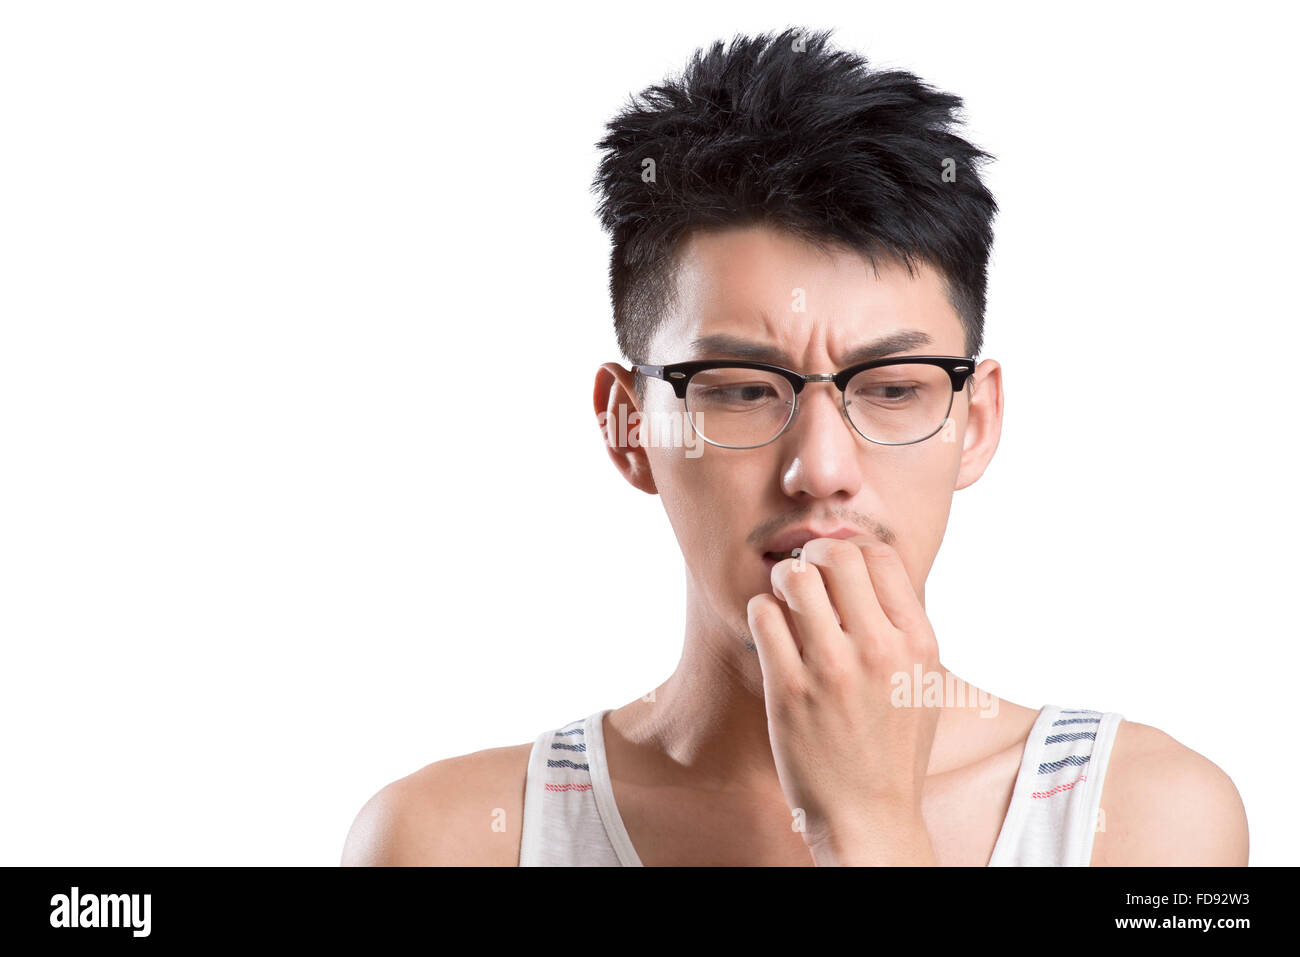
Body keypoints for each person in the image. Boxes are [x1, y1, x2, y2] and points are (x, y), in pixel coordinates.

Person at [341, 27, 1247, 866]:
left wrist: (867, 823)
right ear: (628, 428)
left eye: (893, 389)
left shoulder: (1145, 819)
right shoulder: (445, 839)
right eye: (739, 389)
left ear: (976, 421)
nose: (820, 469)